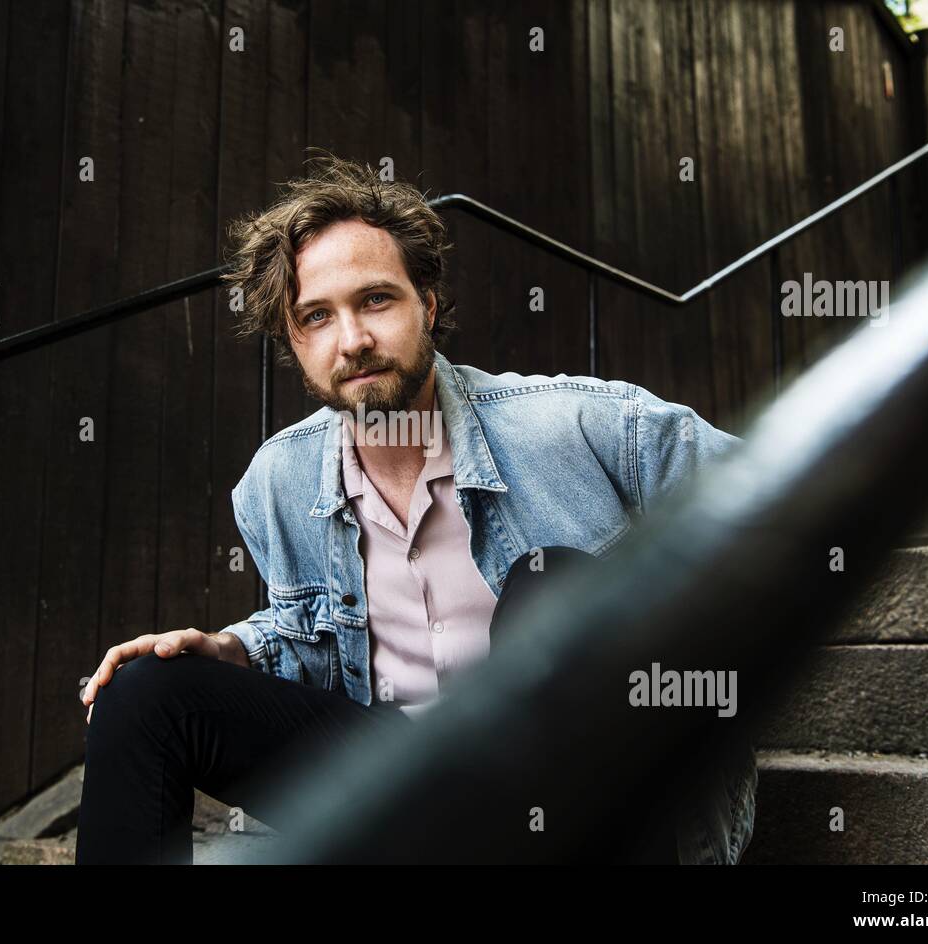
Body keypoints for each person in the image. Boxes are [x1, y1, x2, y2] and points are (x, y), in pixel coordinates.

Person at [75, 154, 756, 864]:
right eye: (317, 316)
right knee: (144, 690)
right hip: (414, 786)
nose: (353, 340)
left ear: (426, 302)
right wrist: (236, 649)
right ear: (293, 340)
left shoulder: (581, 424)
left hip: (596, 798)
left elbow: (772, 497)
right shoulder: (278, 480)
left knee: (551, 583)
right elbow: (307, 628)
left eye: (376, 300)